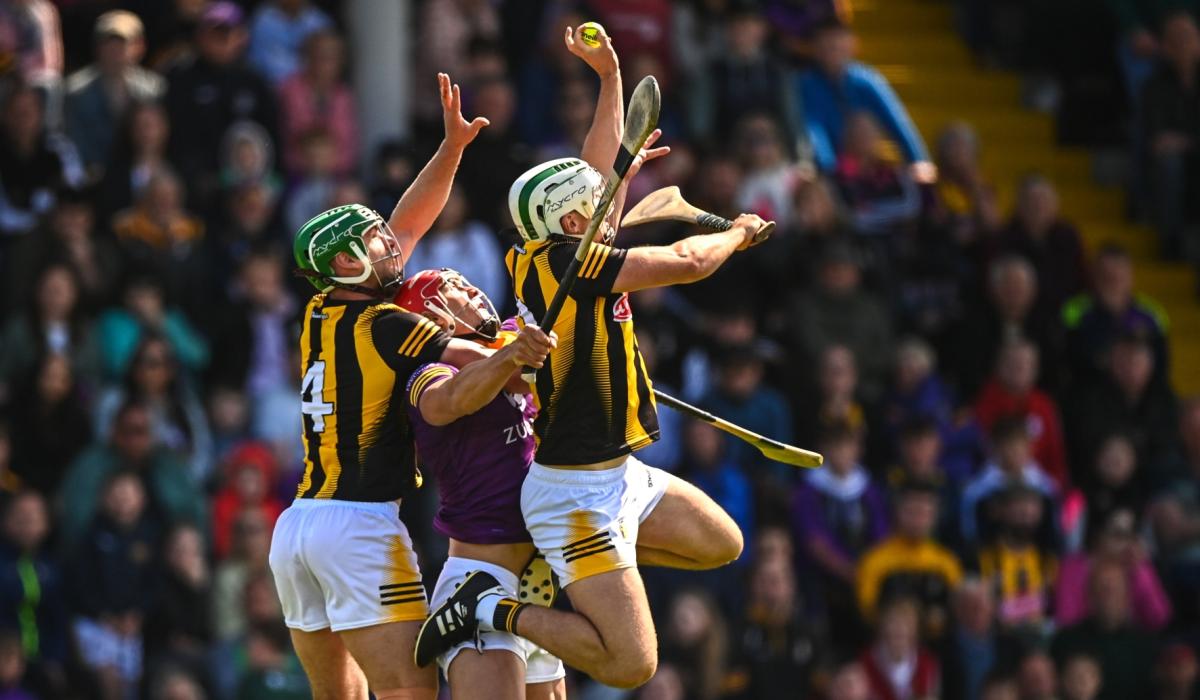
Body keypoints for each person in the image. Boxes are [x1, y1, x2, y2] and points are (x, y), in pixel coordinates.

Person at [416, 24, 759, 690]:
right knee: (633, 663)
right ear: (574, 224)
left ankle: (579, 568)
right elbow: (688, 260)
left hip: (619, 473)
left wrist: (609, 79)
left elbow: (597, 172)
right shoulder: (577, 260)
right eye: (594, 207)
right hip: (574, 492)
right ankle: (486, 607)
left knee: (722, 542)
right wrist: (739, 230)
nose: (610, 202)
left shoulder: (551, 252)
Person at [267, 72, 554, 700]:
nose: (388, 242)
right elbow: (472, 353)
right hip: (361, 528)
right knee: (408, 691)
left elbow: (408, 226)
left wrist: (451, 148)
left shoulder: (320, 312)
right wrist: (526, 349)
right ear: (346, 263)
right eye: (370, 241)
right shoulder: (388, 323)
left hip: (296, 531)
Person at [392, 268, 565, 700]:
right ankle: (473, 606)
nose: (472, 290)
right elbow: (448, 401)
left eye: (466, 282)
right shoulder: (426, 373)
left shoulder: (511, 337)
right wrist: (511, 359)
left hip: (536, 583)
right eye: (452, 290)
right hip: (480, 576)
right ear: (432, 317)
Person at [796, 19, 934, 179]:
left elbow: (897, 122)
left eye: (837, 44)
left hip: (868, 162)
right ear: (814, 49)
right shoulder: (806, 85)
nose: (832, 51)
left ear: (852, 45)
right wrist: (829, 170)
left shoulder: (866, 79)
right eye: (826, 46)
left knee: (863, 124)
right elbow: (814, 130)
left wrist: (918, 160)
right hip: (835, 168)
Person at [63, 11, 165, 174]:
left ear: (140, 47)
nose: (115, 51)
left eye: (122, 44)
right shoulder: (76, 91)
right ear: (96, 47)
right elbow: (75, 144)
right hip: (94, 177)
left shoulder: (154, 88)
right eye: (108, 43)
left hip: (141, 177)